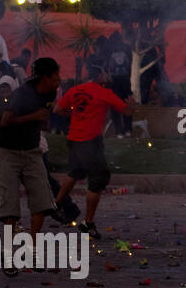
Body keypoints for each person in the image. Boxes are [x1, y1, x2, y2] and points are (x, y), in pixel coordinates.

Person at [0, 58, 62, 272]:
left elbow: (45, 115)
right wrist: (34, 116)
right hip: (8, 153)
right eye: (56, 75)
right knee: (10, 206)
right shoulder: (22, 94)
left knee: (42, 201)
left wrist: (43, 121)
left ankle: (32, 252)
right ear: (45, 77)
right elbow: (5, 121)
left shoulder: (50, 93)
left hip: (32, 152)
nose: (59, 79)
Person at [52, 68, 133, 240]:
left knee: (74, 172)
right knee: (98, 179)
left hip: (74, 138)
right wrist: (133, 105)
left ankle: (56, 204)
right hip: (90, 143)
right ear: (99, 76)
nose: (106, 77)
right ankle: (88, 223)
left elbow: (57, 109)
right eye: (104, 74)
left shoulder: (75, 90)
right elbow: (126, 111)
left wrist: (72, 114)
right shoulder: (104, 92)